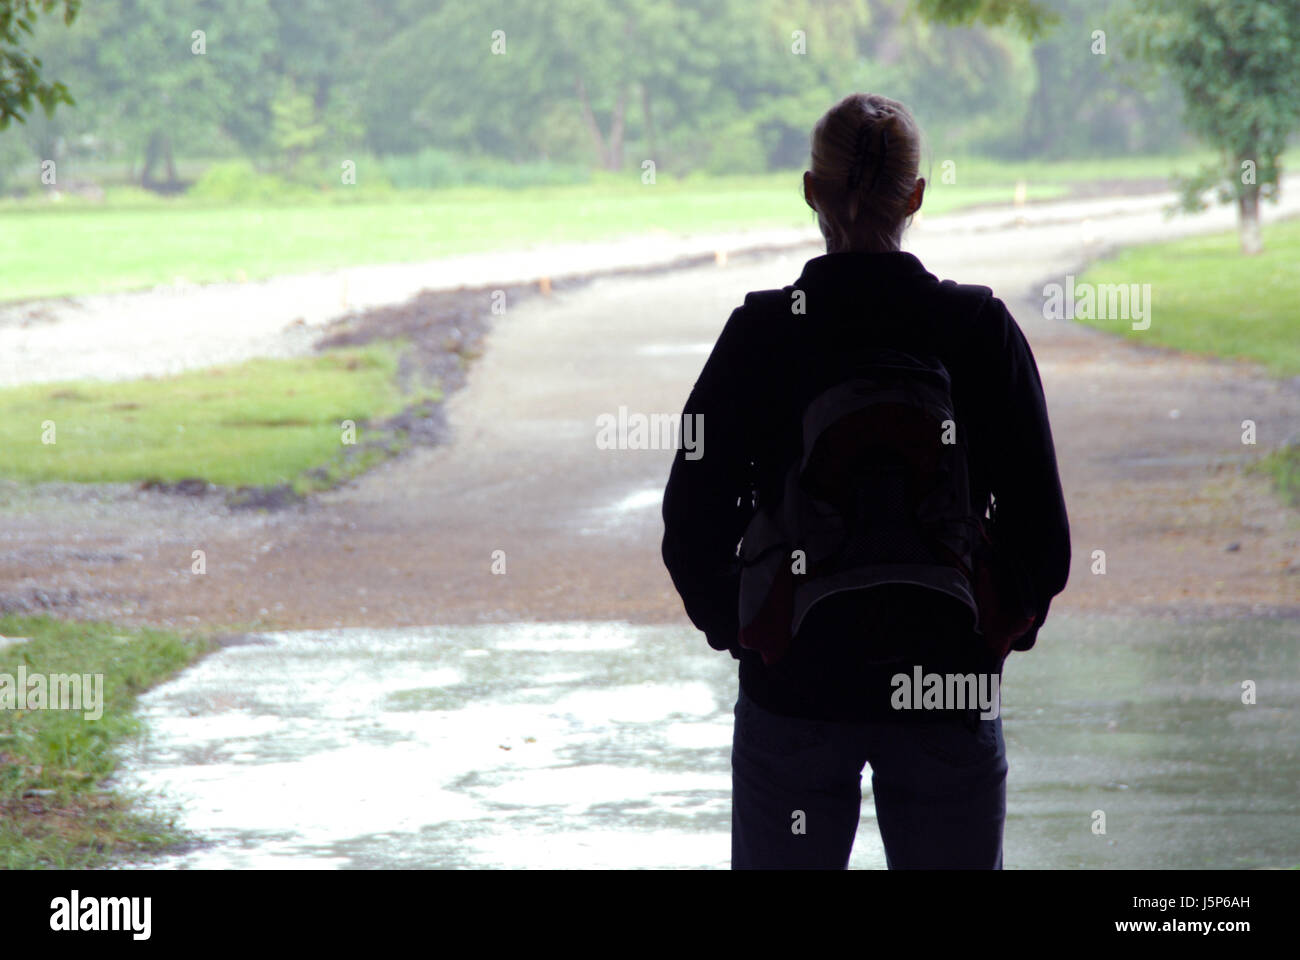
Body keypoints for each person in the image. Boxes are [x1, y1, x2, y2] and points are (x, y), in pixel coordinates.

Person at [660, 93, 1071, 869]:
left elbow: (691, 520)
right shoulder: (977, 330)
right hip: (947, 680)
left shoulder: (764, 333)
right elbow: (1043, 540)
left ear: (812, 189)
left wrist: (749, 635)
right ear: (916, 195)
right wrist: (988, 637)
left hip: (798, 683)